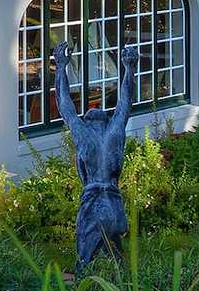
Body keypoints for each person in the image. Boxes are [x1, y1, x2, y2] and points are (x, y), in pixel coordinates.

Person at [50, 41, 138, 271]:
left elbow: (65, 105)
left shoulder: (83, 133)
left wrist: (61, 67)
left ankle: (84, 289)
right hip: (114, 204)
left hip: (94, 204)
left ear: (89, 121)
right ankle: (121, 287)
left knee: (85, 259)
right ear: (105, 120)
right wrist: (129, 68)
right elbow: (125, 102)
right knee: (115, 257)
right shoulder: (114, 131)